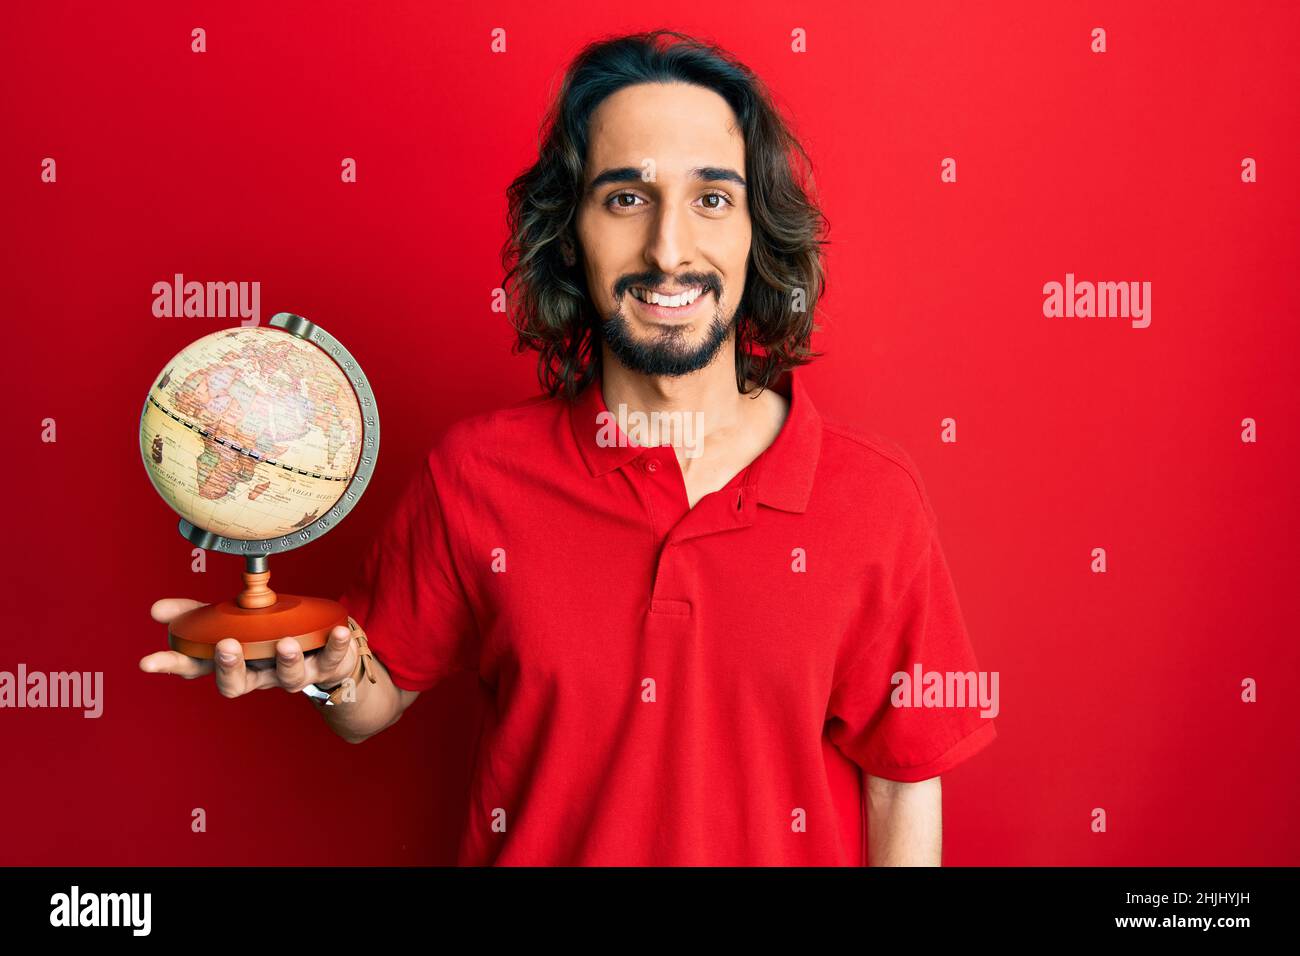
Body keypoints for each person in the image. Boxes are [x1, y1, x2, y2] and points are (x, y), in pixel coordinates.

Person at [141, 30, 995, 866]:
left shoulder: (873, 499)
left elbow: (903, 781)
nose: (668, 250)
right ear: (571, 234)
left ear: (756, 234)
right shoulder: (475, 474)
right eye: (626, 198)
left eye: (712, 198)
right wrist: (317, 672)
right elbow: (374, 693)